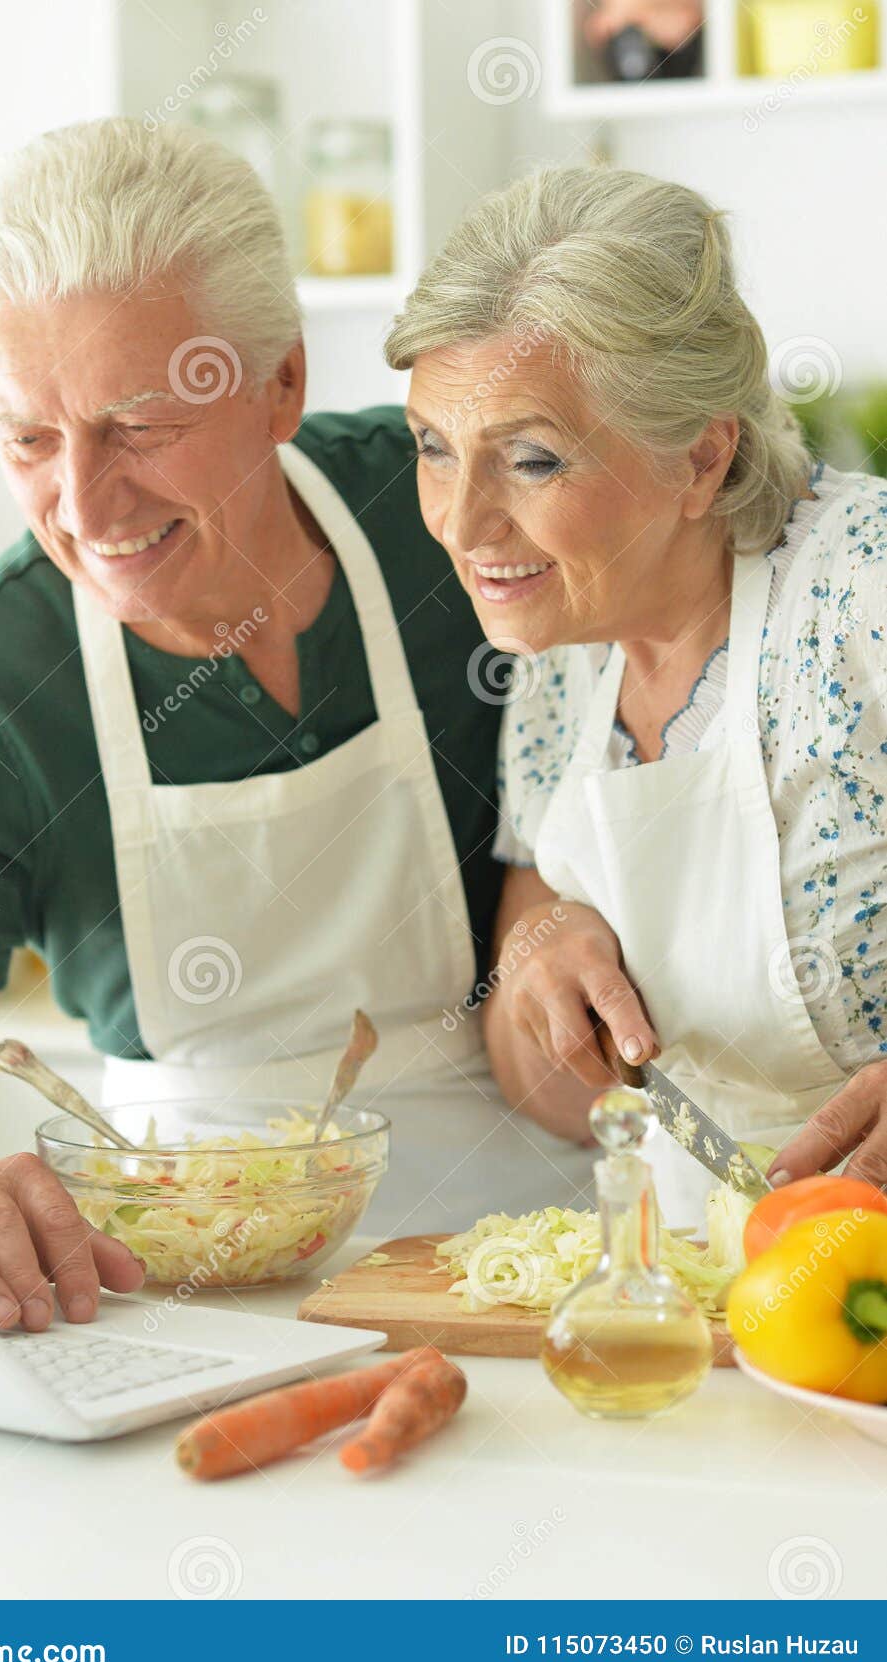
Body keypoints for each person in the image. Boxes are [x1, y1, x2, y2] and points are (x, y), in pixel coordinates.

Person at [0, 120, 593, 1332]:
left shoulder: (442, 514)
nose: (83, 503)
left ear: (279, 381)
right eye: (27, 437)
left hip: (536, 1250)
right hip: (192, 1291)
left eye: (140, 426)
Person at [384, 163, 887, 1224]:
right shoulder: (562, 642)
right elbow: (547, 1082)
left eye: (531, 459)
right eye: (434, 448)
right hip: (712, 1293)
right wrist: (541, 954)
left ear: (701, 458)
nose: (463, 526)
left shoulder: (864, 592)